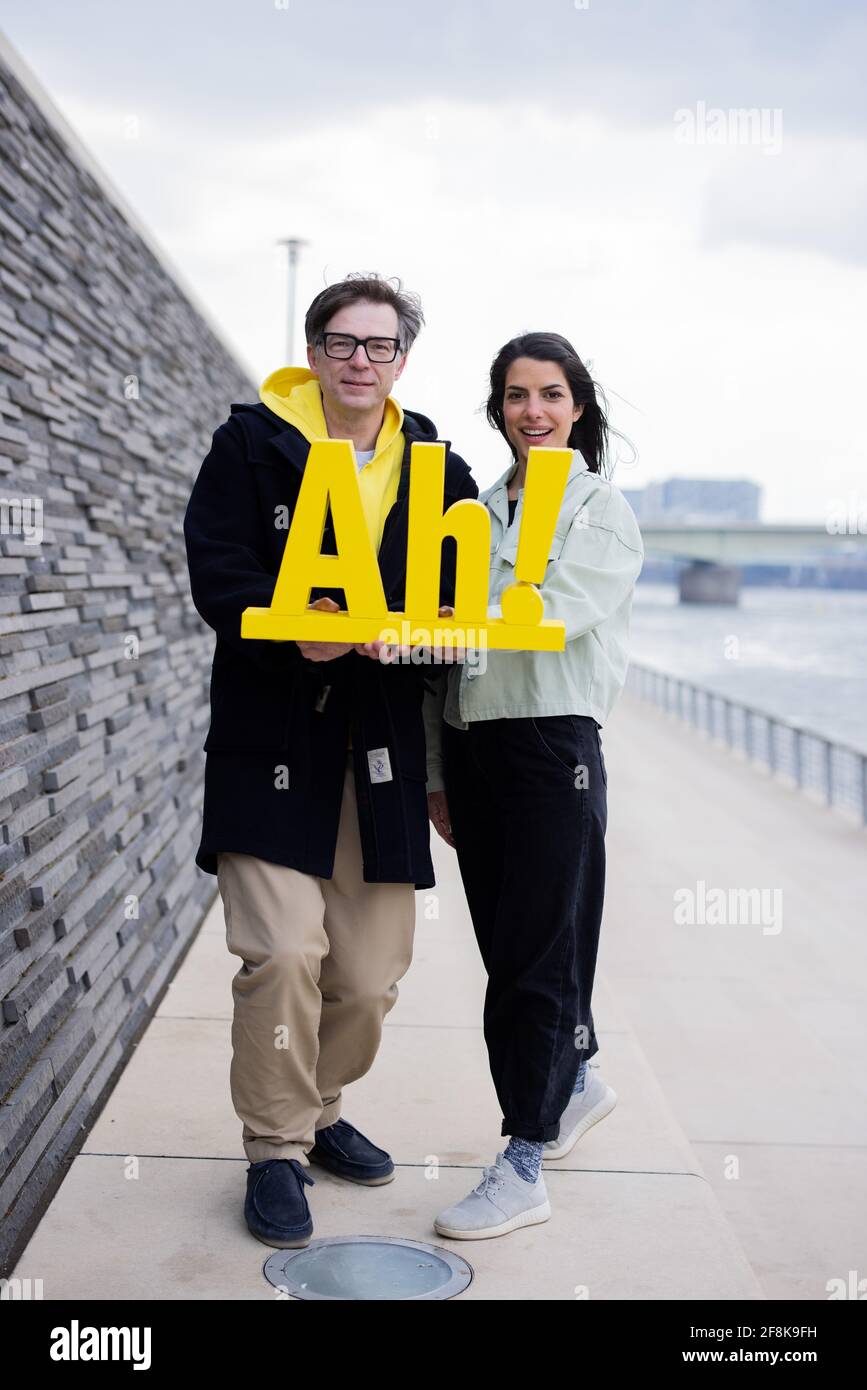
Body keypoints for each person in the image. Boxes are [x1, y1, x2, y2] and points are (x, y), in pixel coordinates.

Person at [183, 272, 477, 1248]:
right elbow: (217, 569)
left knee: (368, 975)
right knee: (281, 953)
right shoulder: (250, 444)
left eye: (380, 345)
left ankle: (319, 1108)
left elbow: (461, 592)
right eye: (342, 343)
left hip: (380, 744)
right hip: (272, 737)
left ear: (403, 359)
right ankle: (274, 1147)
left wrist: (431, 635)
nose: (361, 361)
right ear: (313, 352)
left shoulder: (434, 459)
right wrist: (291, 628)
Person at [423, 332, 643, 1239]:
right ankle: (577, 1075)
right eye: (516, 396)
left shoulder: (598, 509)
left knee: (535, 959)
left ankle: (523, 1159)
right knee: (514, 951)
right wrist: (438, 771)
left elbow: (550, 612)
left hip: (552, 745)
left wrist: (454, 617)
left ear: (577, 406)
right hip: (473, 750)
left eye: (550, 394)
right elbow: (447, 656)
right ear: (498, 408)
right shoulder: (473, 509)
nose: (533, 412)